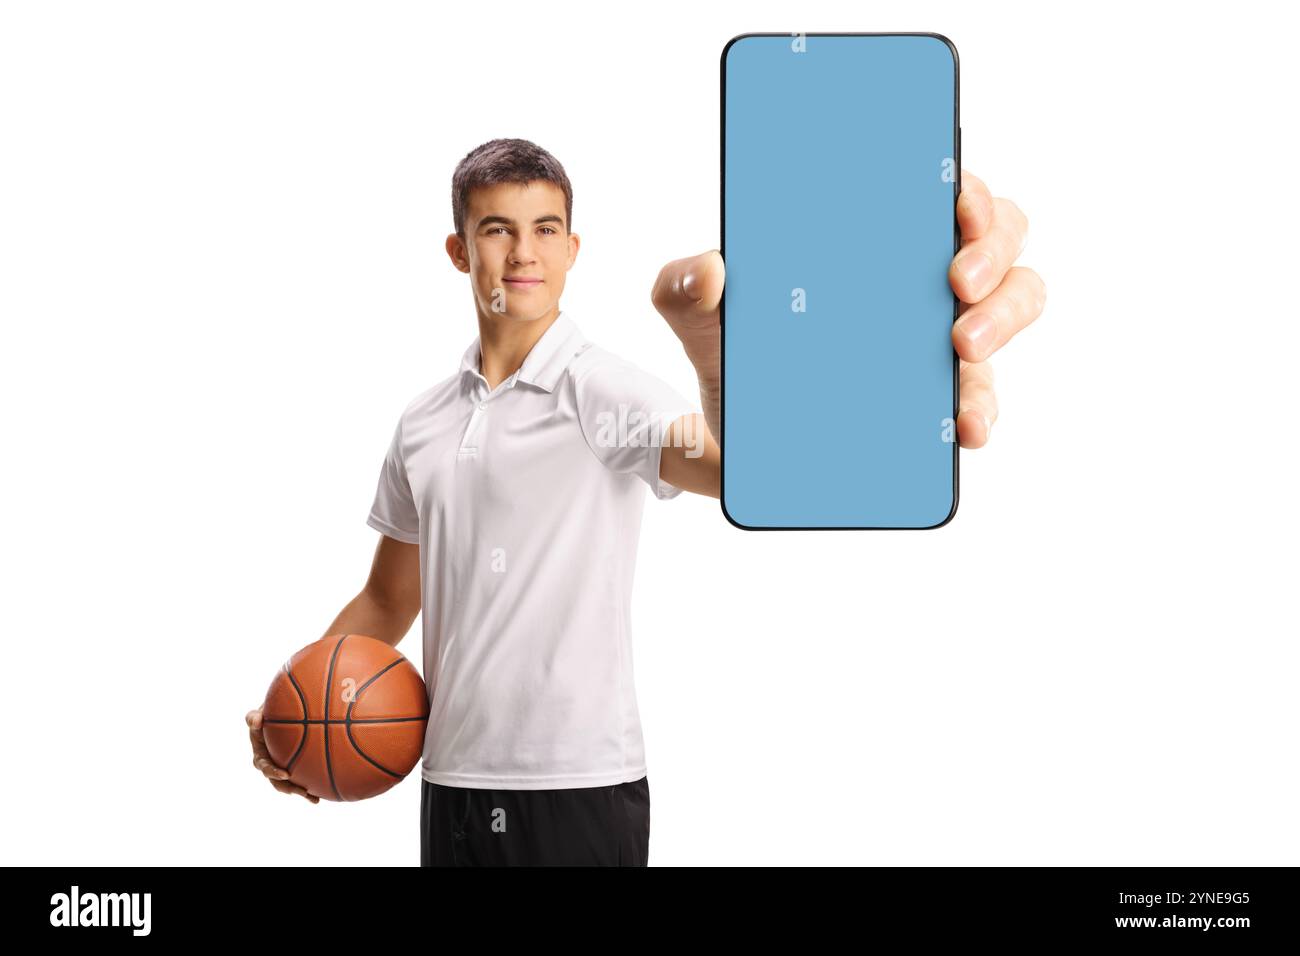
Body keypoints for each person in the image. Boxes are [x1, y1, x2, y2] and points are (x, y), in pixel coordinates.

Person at [246, 137, 1045, 865]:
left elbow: (744, 469)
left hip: (580, 785)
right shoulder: (424, 420)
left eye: (546, 228)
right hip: (452, 782)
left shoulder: (598, 390)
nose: (524, 252)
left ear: (573, 248)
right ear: (460, 251)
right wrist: (293, 709)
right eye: (497, 230)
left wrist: (767, 358)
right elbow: (389, 597)